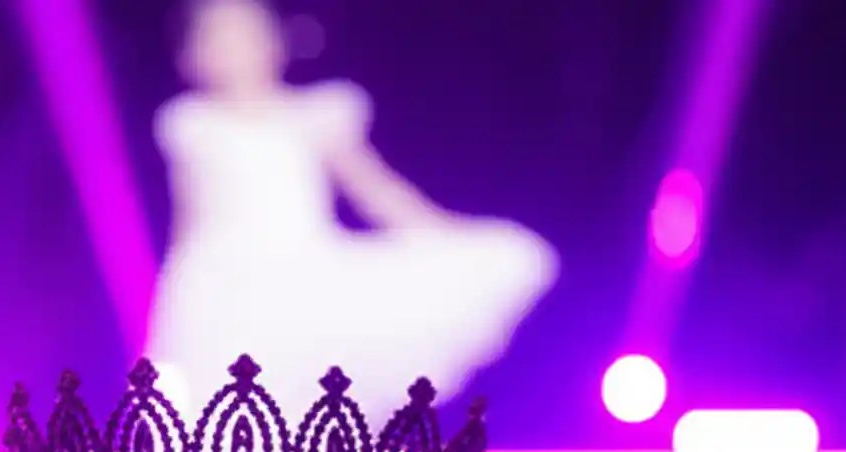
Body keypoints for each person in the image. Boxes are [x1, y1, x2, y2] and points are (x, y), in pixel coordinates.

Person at [147, 0, 558, 425]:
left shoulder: (316, 115)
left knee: (307, 398)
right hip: (226, 284)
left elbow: (375, 190)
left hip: (306, 273)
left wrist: (446, 233)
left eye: (244, 32)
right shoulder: (190, 124)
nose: (234, 47)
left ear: (274, 41)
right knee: (228, 410)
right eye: (218, 35)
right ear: (193, 54)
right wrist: (174, 302)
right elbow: (188, 226)